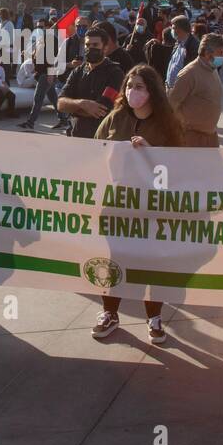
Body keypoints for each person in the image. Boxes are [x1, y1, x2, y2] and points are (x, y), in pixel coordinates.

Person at [91, 65, 185, 345]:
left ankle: (154, 317)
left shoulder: (168, 123)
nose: (133, 92)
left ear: (153, 92)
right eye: (130, 86)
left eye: (140, 87)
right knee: (114, 259)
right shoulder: (116, 117)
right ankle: (110, 313)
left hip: (152, 206)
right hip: (117, 203)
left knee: (151, 261)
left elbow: (181, 166)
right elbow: (94, 149)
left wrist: (151, 153)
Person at [58, 25, 125, 140]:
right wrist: (82, 103)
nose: (91, 48)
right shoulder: (78, 71)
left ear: (105, 48)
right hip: (75, 136)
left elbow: (101, 110)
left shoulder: (115, 73)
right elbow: (60, 103)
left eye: (95, 45)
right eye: (87, 45)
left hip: (101, 138)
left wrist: (72, 108)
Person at [167, 33, 223, 147]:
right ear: (208, 53)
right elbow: (172, 104)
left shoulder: (212, 69)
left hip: (211, 135)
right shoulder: (189, 73)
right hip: (193, 138)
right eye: (220, 52)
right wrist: (186, 123)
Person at [164, 16, 199, 89]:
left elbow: (192, 71)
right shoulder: (178, 42)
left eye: (173, 28)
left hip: (183, 90)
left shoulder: (194, 46)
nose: (172, 31)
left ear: (180, 29)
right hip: (171, 87)